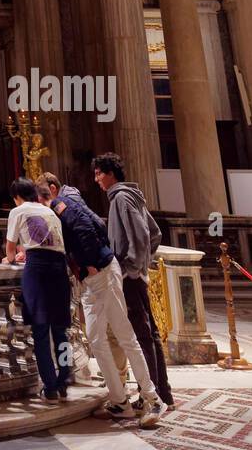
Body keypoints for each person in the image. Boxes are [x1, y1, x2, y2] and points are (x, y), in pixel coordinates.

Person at [35, 178, 166, 429]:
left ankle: (152, 398)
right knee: (96, 339)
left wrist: (90, 263)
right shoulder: (66, 206)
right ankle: (120, 402)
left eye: (40, 200)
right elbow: (96, 225)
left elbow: (88, 229)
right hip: (92, 278)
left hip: (102, 273)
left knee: (125, 335)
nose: (40, 207)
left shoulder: (64, 206)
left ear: (49, 193)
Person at [92, 153, 175, 409]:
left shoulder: (120, 199)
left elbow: (141, 236)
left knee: (141, 335)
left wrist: (131, 269)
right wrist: (142, 265)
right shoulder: (132, 196)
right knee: (150, 333)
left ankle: (150, 395)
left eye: (99, 173)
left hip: (129, 278)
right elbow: (155, 233)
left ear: (111, 174)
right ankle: (164, 392)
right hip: (136, 275)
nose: (96, 179)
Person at [2, 178, 72, 402]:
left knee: (41, 330)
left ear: (16, 196)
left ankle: (50, 387)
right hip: (59, 267)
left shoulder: (18, 210)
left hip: (39, 270)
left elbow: (10, 247)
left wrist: (11, 258)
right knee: (61, 329)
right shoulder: (48, 211)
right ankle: (64, 381)